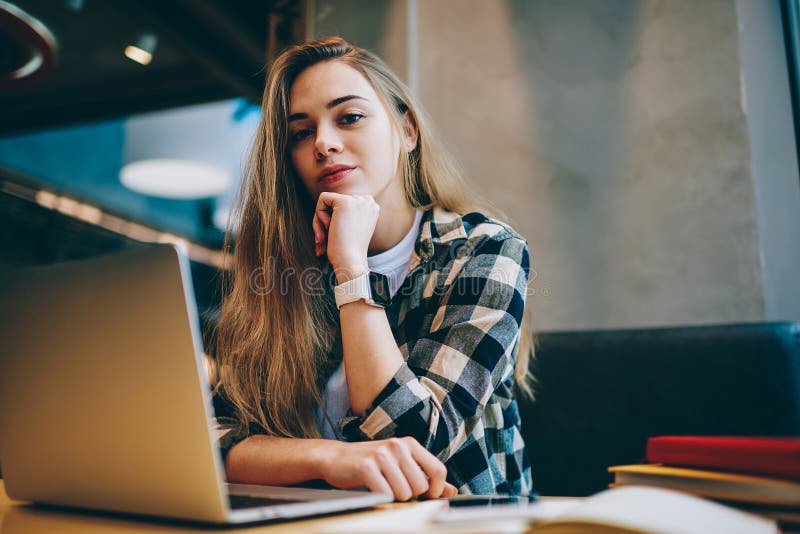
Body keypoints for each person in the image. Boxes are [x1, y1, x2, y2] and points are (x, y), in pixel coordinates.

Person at [212, 36, 534, 501]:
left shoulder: (485, 250)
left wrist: (352, 270)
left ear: (407, 131)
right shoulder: (284, 273)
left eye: (349, 117)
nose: (323, 143)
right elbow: (212, 438)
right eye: (300, 133)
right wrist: (327, 457)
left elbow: (419, 444)